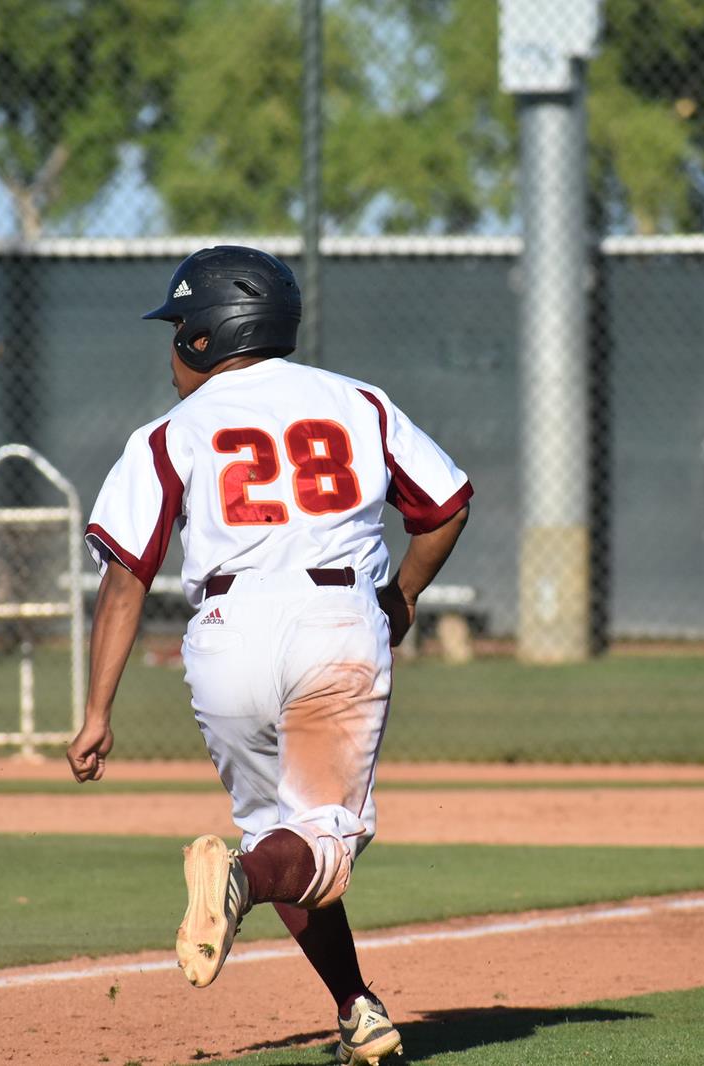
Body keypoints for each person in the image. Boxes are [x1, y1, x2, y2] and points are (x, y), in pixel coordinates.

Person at [66, 245, 471, 1063]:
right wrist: (403, 594)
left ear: (207, 338)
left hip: (221, 637)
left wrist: (97, 711)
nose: (173, 347)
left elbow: (124, 579)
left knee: (278, 837)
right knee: (318, 845)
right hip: (333, 626)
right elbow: (446, 506)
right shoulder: (358, 401)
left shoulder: (169, 433)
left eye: (178, 328)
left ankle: (357, 1007)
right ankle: (240, 882)